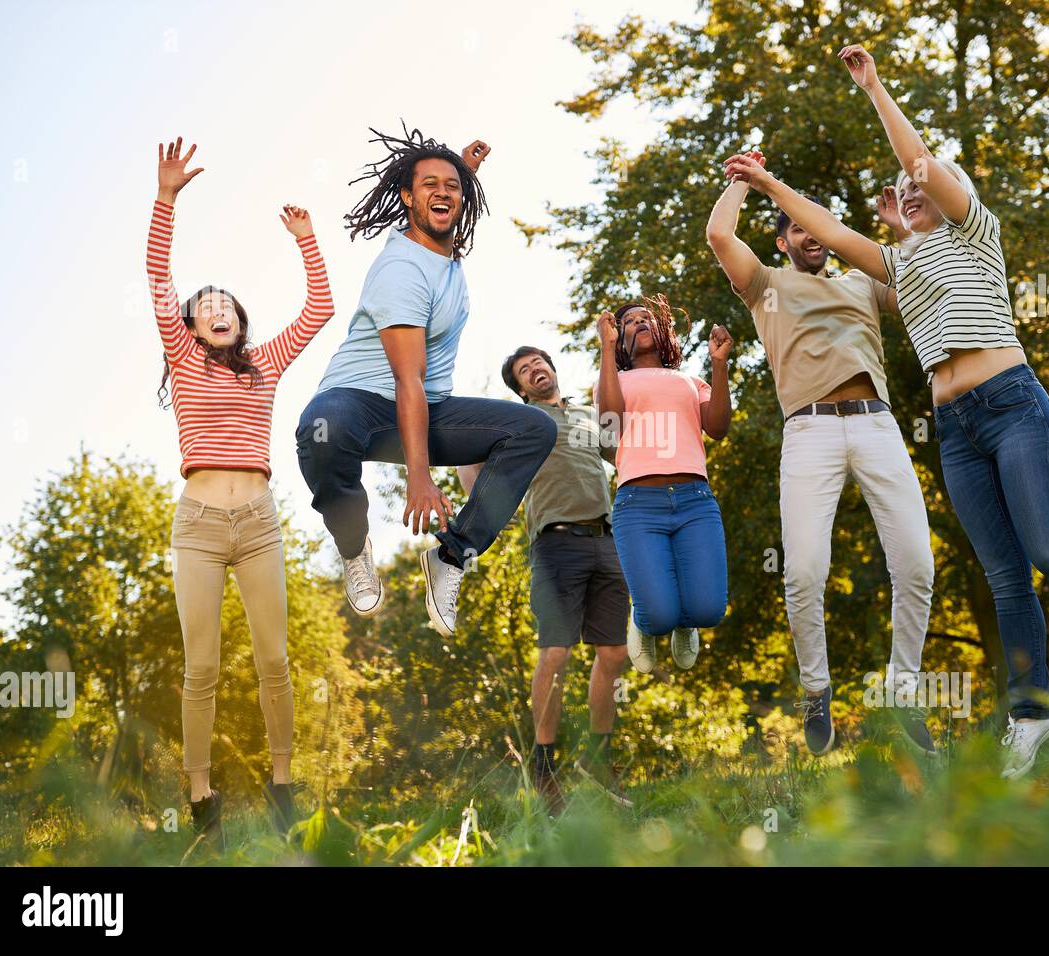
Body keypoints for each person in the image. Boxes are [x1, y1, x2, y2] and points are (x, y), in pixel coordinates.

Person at [724, 45, 1049, 779]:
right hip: (957, 430)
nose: (910, 196)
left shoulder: (977, 234)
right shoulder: (898, 265)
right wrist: (765, 182)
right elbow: (828, 228)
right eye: (903, 200)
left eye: (922, 194)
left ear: (952, 197)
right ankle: (1034, 712)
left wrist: (873, 87)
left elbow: (919, 167)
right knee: (1006, 577)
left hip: (1012, 406)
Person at [707, 153, 937, 756]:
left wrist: (901, 232)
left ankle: (904, 693)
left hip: (877, 425)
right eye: (798, 229)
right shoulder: (766, 288)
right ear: (783, 242)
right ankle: (816, 688)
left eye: (817, 226)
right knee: (805, 570)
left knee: (916, 564)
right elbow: (718, 235)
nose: (811, 235)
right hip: (809, 432)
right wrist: (742, 180)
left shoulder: (862, 281)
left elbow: (923, 287)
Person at [147, 137, 335, 846]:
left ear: (238, 319)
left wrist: (307, 240)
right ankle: (201, 794)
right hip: (197, 523)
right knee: (202, 665)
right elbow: (157, 277)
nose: (217, 307)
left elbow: (319, 309)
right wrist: (166, 198)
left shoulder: (262, 364)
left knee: (275, 659)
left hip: (257, 521)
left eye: (228, 302)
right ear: (191, 325)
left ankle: (283, 782)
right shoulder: (184, 358)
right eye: (206, 305)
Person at [295, 125, 556, 636]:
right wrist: (419, 476)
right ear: (406, 197)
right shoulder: (400, 269)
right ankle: (354, 548)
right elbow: (406, 378)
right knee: (320, 430)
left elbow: (441, 208)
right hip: (363, 404)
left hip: (428, 409)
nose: (444, 193)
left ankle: (452, 557)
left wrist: (461, 171)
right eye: (429, 186)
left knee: (534, 429)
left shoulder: (444, 249)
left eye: (452, 187)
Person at [460, 347, 631, 812]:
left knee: (614, 653)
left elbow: (625, 457)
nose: (535, 370)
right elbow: (470, 467)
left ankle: (597, 756)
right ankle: (544, 766)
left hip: (608, 539)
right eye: (523, 370)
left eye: (539, 363)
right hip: (555, 544)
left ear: (553, 370)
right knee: (556, 652)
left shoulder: (585, 415)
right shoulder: (520, 425)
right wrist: (475, 486)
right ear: (519, 389)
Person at [594, 296, 732, 676]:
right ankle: (644, 623)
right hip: (638, 505)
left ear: (664, 332)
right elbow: (609, 424)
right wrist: (606, 349)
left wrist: (719, 365)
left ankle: (686, 622)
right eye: (628, 323)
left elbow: (718, 427)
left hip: (695, 502)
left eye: (646, 319)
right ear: (619, 340)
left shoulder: (689, 380)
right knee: (657, 615)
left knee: (708, 611)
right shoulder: (613, 379)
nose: (638, 323)